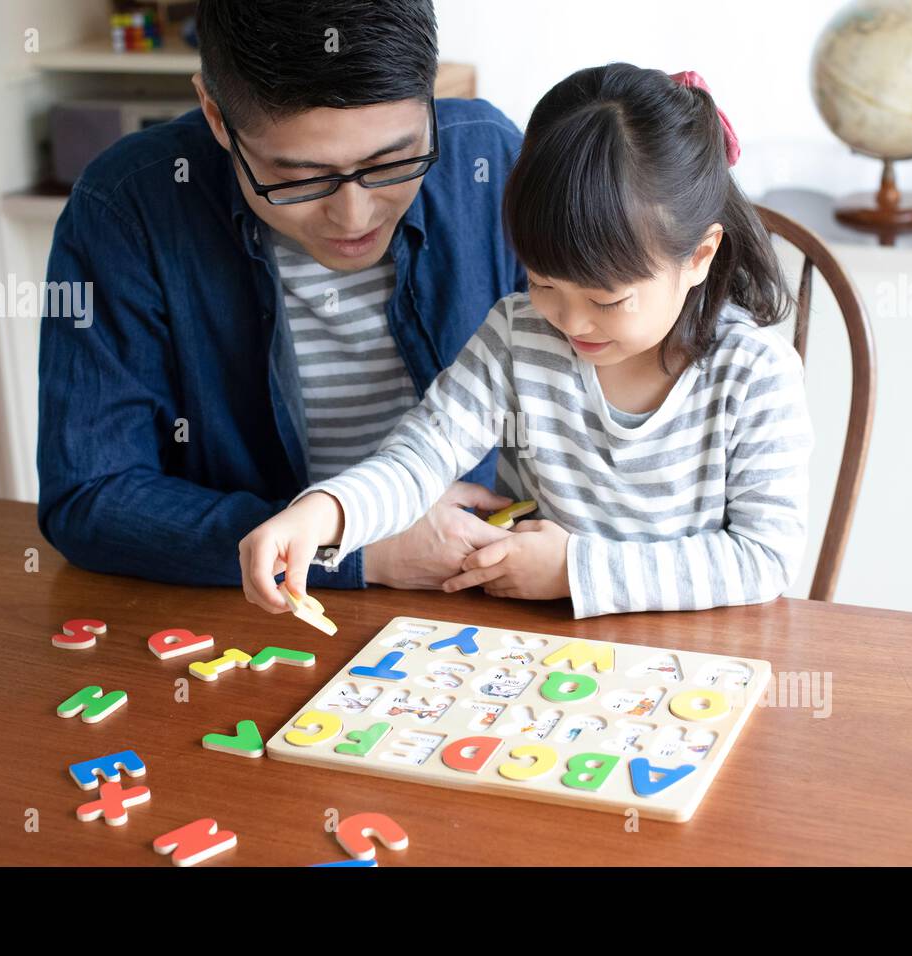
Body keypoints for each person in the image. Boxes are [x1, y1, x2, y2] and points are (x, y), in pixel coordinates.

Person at [239, 63, 815, 619]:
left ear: (699, 257)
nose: (570, 322)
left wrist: (574, 572)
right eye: (543, 282)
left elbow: (764, 559)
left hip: (697, 664)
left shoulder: (754, 375)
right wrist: (324, 513)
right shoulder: (518, 335)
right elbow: (420, 457)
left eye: (606, 300)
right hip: (533, 653)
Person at [37, 0, 526, 590]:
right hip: (258, 617)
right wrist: (354, 552)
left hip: (485, 594)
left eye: (393, 160)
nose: (355, 215)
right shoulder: (128, 206)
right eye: (302, 178)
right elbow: (91, 497)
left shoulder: (492, 163)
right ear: (217, 117)